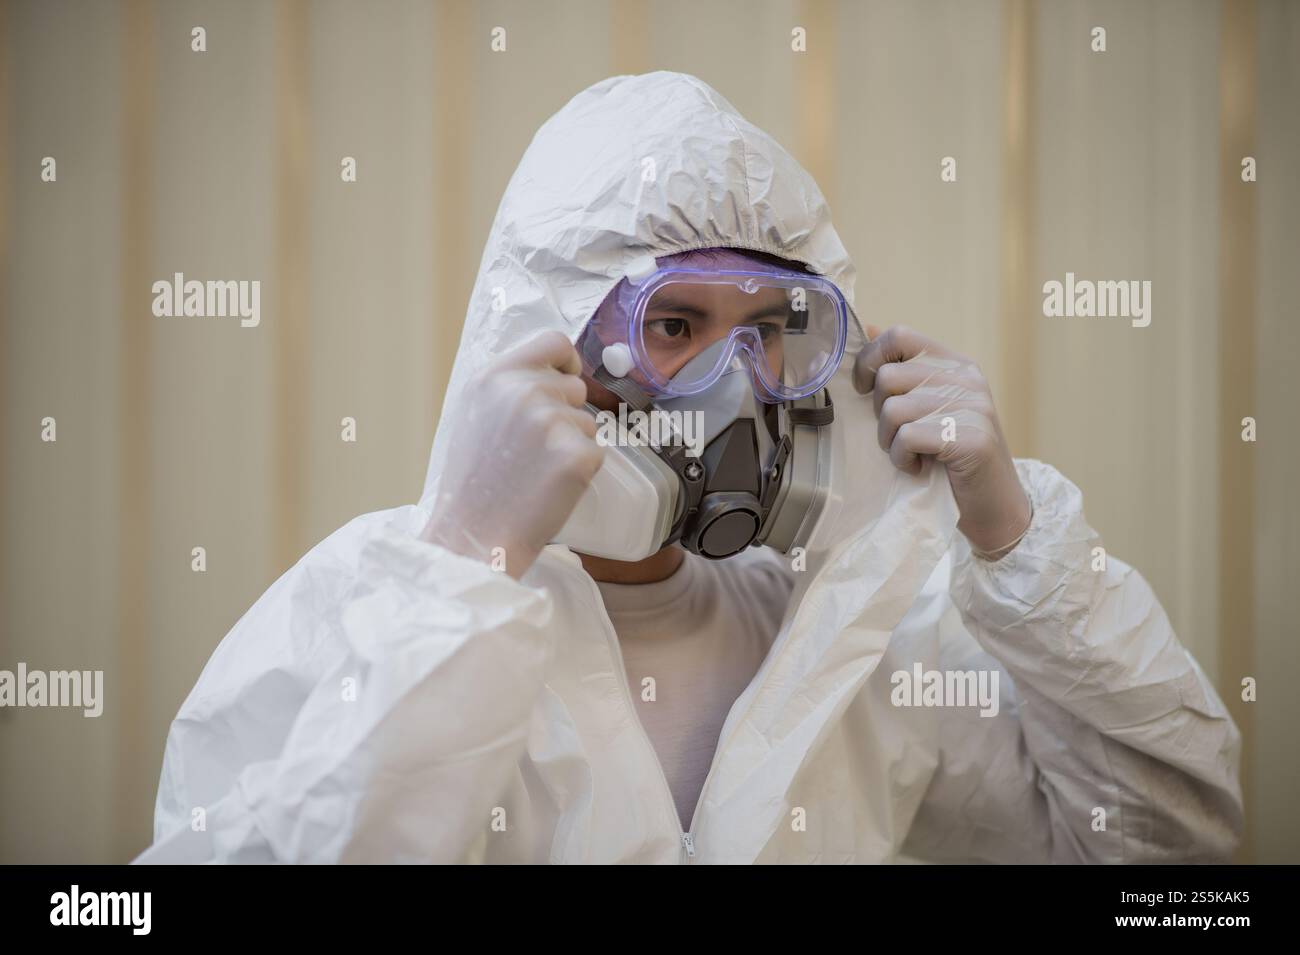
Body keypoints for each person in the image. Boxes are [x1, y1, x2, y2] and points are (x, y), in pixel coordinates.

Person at [136, 72, 1242, 864]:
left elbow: (1164, 857)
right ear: (546, 340)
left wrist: (1012, 535)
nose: (740, 381)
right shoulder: (360, 605)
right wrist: (461, 576)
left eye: (777, 328)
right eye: (674, 323)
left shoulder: (849, 635)